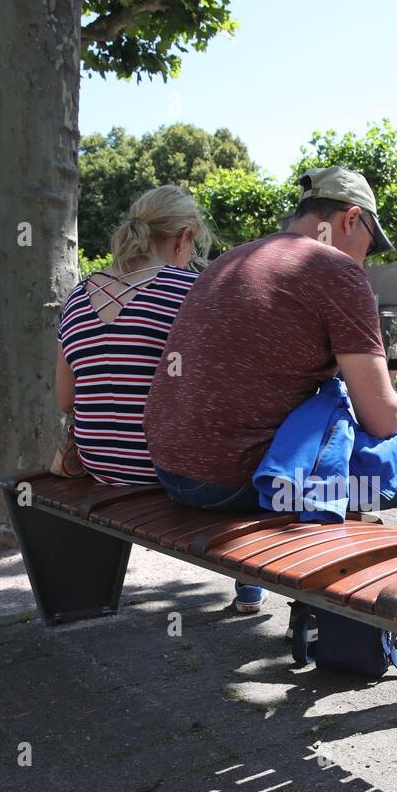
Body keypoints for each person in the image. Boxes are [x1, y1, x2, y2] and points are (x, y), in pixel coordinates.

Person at [144, 165, 397, 566]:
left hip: (172, 472)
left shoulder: (231, 261)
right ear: (352, 218)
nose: (366, 260)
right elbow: (383, 421)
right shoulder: (335, 270)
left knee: (316, 442)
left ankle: (305, 612)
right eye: (370, 245)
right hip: (233, 483)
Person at [55, 185, 263, 615]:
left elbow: (64, 399)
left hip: (100, 460)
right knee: (272, 450)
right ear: (184, 237)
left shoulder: (78, 296)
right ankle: (250, 583)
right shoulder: (192, 289)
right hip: (163, 469)